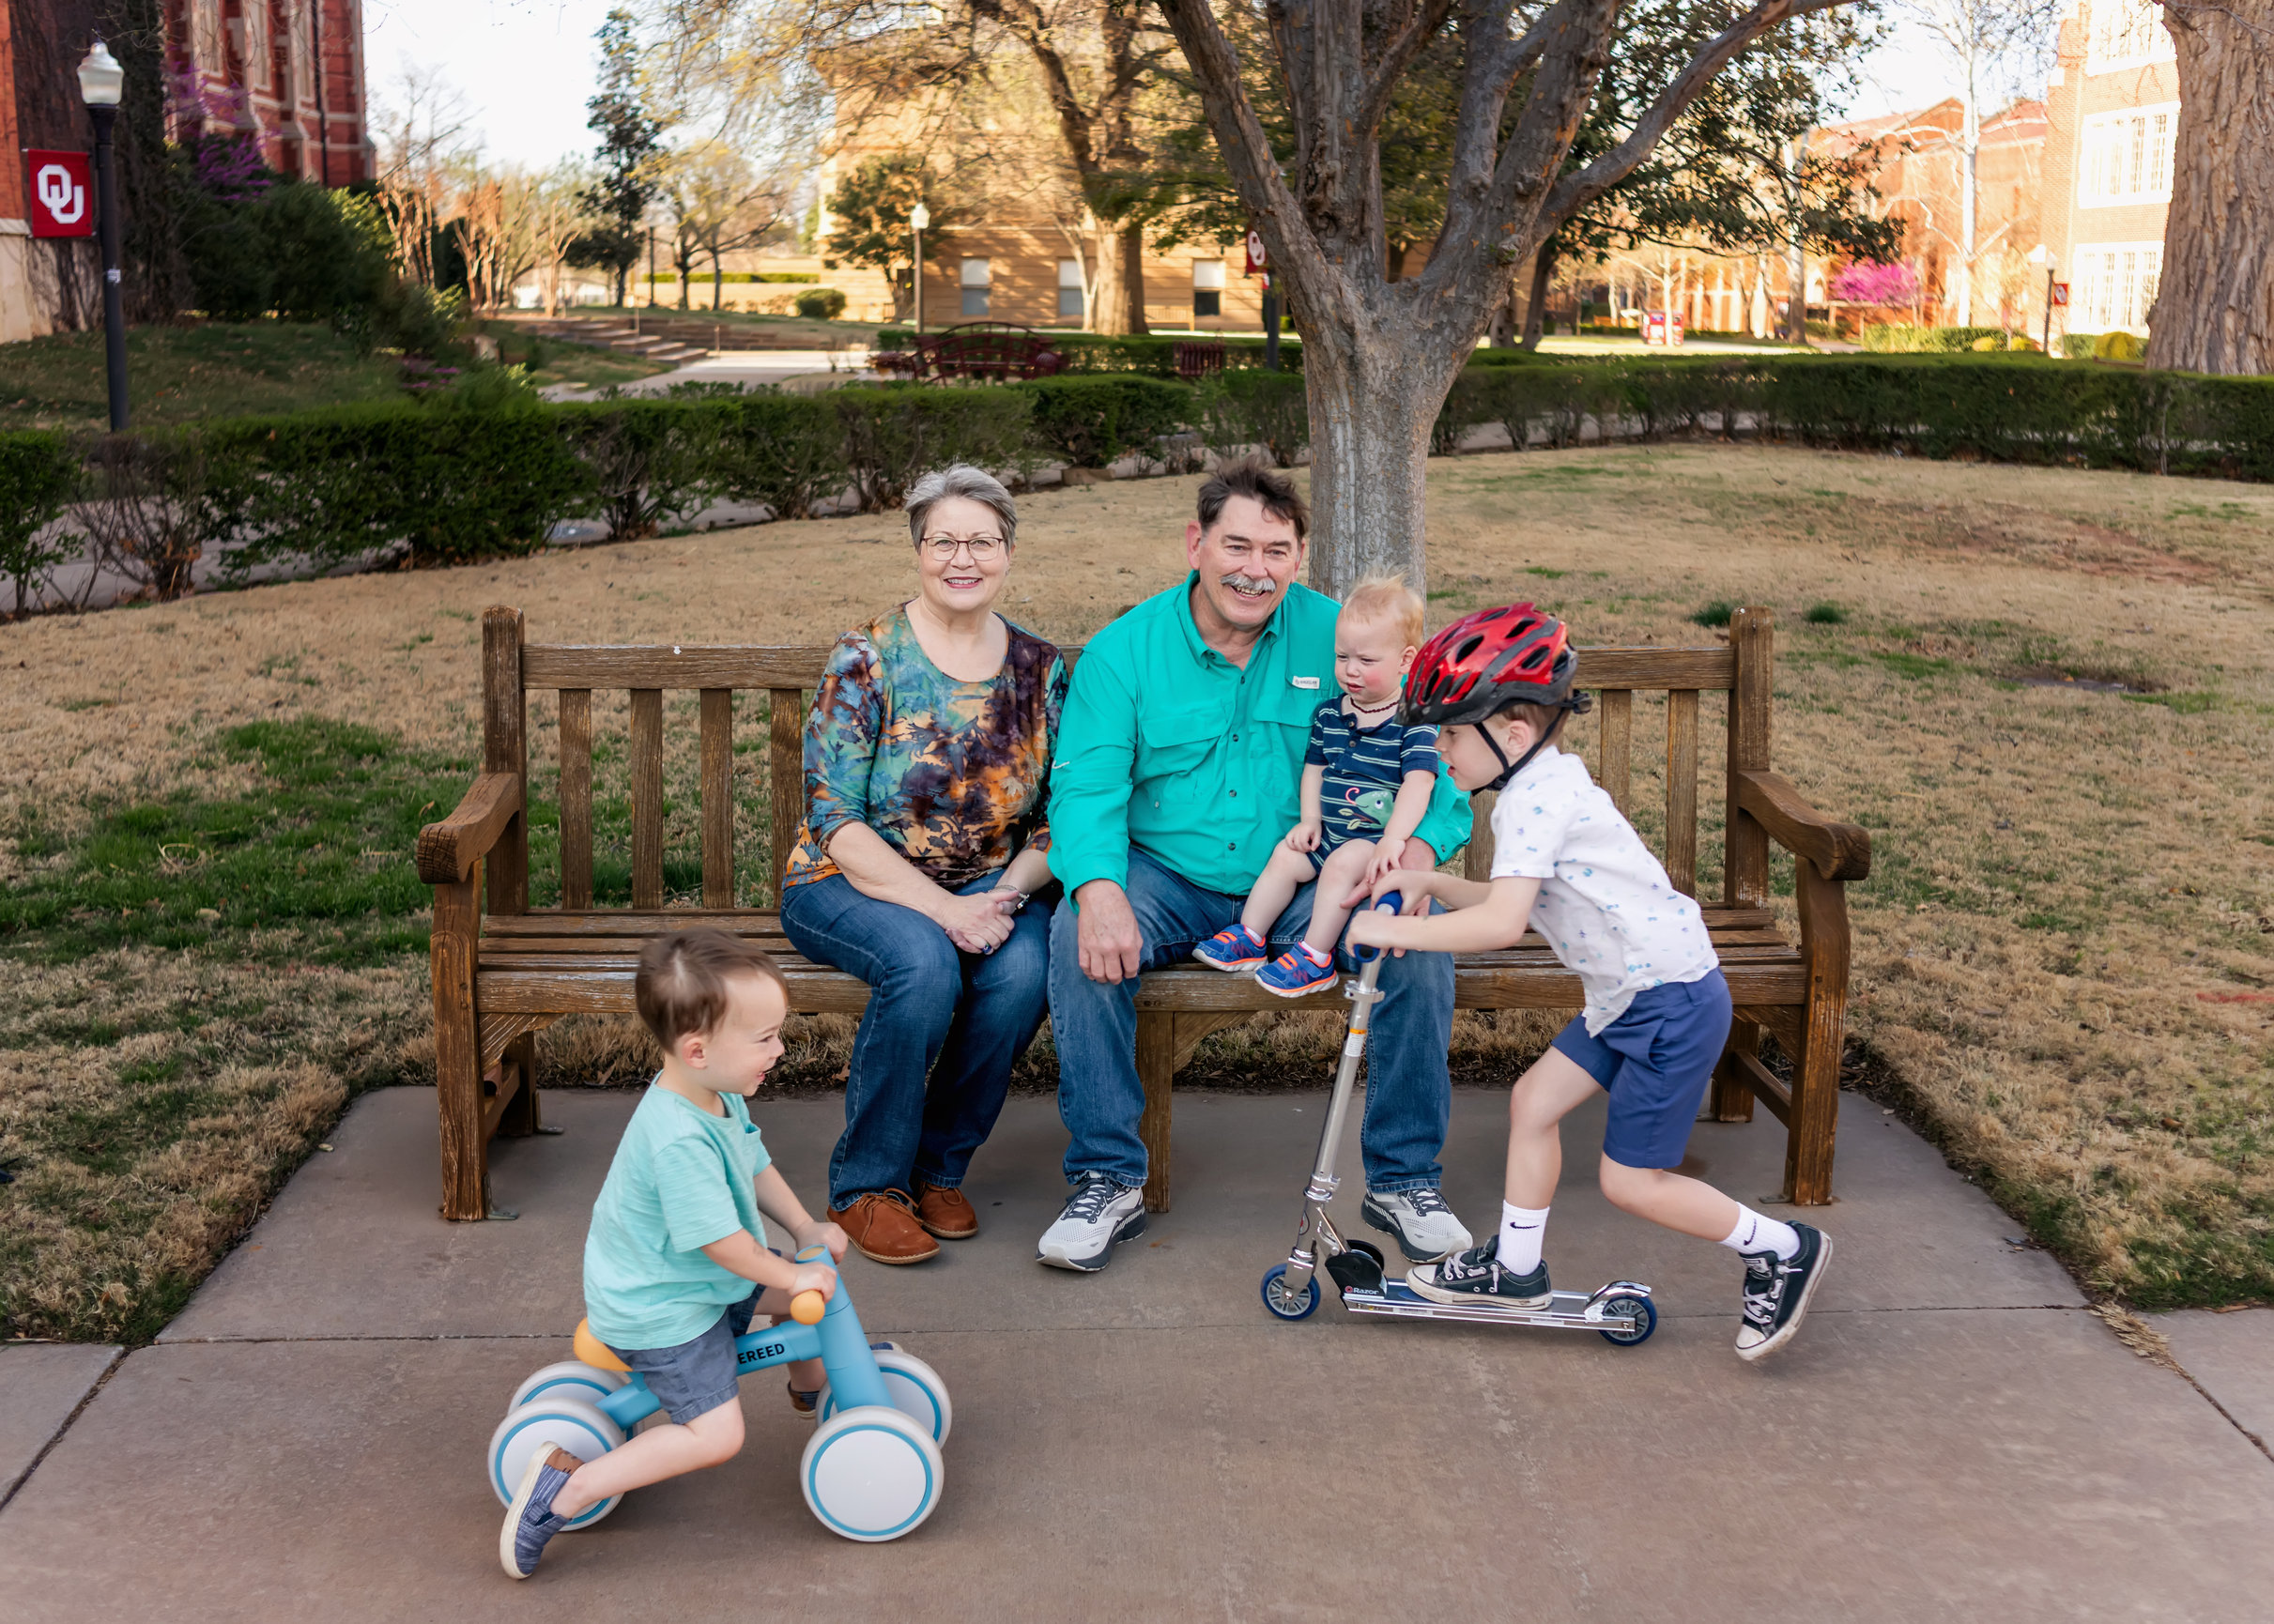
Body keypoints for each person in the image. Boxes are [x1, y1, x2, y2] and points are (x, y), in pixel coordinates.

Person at [1344, 605, 1833, 1362]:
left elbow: (1503, 924)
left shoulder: (1535, 802)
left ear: (1509, 735)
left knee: (1632, 1182)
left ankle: (1781, 1247)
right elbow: (1520, 900)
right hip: (1630, 997)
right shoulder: (1541, 786)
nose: (1438, 751)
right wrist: (1432, 880)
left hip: (1668, 1005)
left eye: (1448, 733)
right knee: (1533, 1103)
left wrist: (1389, 928)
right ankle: (1514, 1270)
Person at [1037, 458, 1477, 1272]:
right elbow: (1086, 789)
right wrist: (1097, 887)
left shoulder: (1345, 638)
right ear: (1195, 544)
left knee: (1415, 939)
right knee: (1077, 931)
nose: (1255, 569)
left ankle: (1404, 1180)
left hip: (1317, 884)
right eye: (1237, 545)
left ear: (1300, 557)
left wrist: (1418, 853)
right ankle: (1106, 1178)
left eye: (1277, 550)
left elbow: (1441, 766)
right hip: (1168, 876)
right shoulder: (1123, 652)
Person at [777, 465, 1064, 1266]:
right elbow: (833, 819)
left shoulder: (1040, 671)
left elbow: (1061, 818)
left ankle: (937, 1168)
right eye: (945, 541)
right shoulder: (866, 658)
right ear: (918, 550)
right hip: (846, 884)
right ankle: (866, 1186)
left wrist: (1003, 898)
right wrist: (947, 912)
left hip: (991, 884)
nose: (962, 558)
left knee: (1023, 971)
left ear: (1008, 551)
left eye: (982, 541)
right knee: (924, 965)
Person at [501, 929, 850, 1578]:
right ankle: (564, 1492)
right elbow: (726, 1248)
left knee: (804, 1291)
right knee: (719, 1435)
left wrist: (806, 1229)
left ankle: (810, 1387)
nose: (780, 1049)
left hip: (689, 1281)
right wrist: (788, 1268)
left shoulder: (718, 1094)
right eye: (765, 1038)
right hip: (661, 1310)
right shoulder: (677, 1142)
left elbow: (753, 1166)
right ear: (697, 1049)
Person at [1192, 575, 1439, 997]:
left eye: (1366, 660)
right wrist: (1310, 821)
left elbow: (1420, 783)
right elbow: (1315, 770)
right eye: (1342, 657)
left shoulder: (1413, 720)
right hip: (1329, 834)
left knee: (1343, 866)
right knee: (1287, 854)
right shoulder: (1330, 714)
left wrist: (1393, 842)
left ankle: (1315, 956)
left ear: (1405, 660)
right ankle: (1250, 937)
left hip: (1371, 840)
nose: (1350, 670)